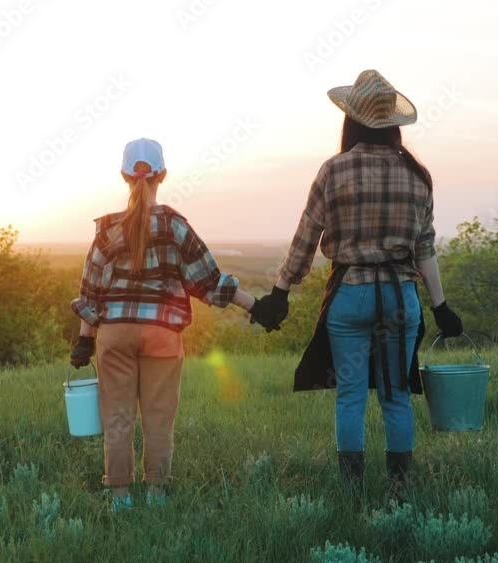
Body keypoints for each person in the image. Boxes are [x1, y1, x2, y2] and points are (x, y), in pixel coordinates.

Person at [250, 70, 464, 492]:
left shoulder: (334, 170)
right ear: (392, 126)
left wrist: (280, 293)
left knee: (350, 397)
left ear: (352, 120)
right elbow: (425, 250)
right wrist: (441, 308)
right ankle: (400, 490)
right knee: (396, 397)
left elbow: (305, 239)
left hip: (350, 297)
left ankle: (352, 491)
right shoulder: (418, 178)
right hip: (401, 299)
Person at [69, 138, 264, 511]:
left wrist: (84, 340)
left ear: (124, 176)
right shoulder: (176, 226)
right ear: (164, 175)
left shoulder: (107, 230)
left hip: (116, 332)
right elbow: (209, 282)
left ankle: (121, 499)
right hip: (162, 332)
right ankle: (157, 495)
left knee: (118, 417)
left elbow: (90, 290)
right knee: (159, 418)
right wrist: (256, 306)